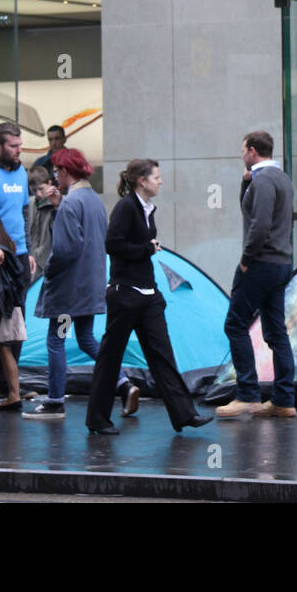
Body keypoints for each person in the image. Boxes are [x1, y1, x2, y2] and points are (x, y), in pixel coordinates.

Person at [86, 160, 213, 435]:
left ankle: (185, 414)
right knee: (111, 357)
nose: (161, 181)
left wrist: (147, 248)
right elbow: (113, 244)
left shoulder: (147, 209)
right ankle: (97, 418)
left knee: (162, 355)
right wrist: (147, 248)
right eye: (156, 177)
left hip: (148, 294)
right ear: (142, 181)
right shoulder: (126, 207)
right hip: (125, 295)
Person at [27, 148, 130, 418]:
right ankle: (123, 382)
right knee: (85, 339)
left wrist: (48, 270)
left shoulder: (72, 204)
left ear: (65, 171)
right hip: (90, 285)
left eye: (56, 171)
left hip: (67, 290)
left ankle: (55, 401)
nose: (54, 176)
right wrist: (61, 204)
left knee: (56, 340)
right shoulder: (93, 200)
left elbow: (66, 249)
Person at [216, 131, 296, 418]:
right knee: (276, 332)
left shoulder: (262, 181)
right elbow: (250, 212)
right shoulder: (281, 178)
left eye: (242, 151)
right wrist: (244, 182)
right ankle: (284, 399)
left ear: (252, 151)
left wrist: (247, 260)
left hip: (261, 263)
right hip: (281, 263)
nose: (241, 156)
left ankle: (248, 394)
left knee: (235, 325)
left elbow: (258, 225)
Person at [0, 122, 33, 411]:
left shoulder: (23, 172)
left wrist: (28, 251)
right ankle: (4, 386)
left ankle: (12, 386)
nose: (19, 151)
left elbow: (24, 213)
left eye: (20, 145)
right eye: (13, 147)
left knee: (17, 323)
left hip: (19, 256)